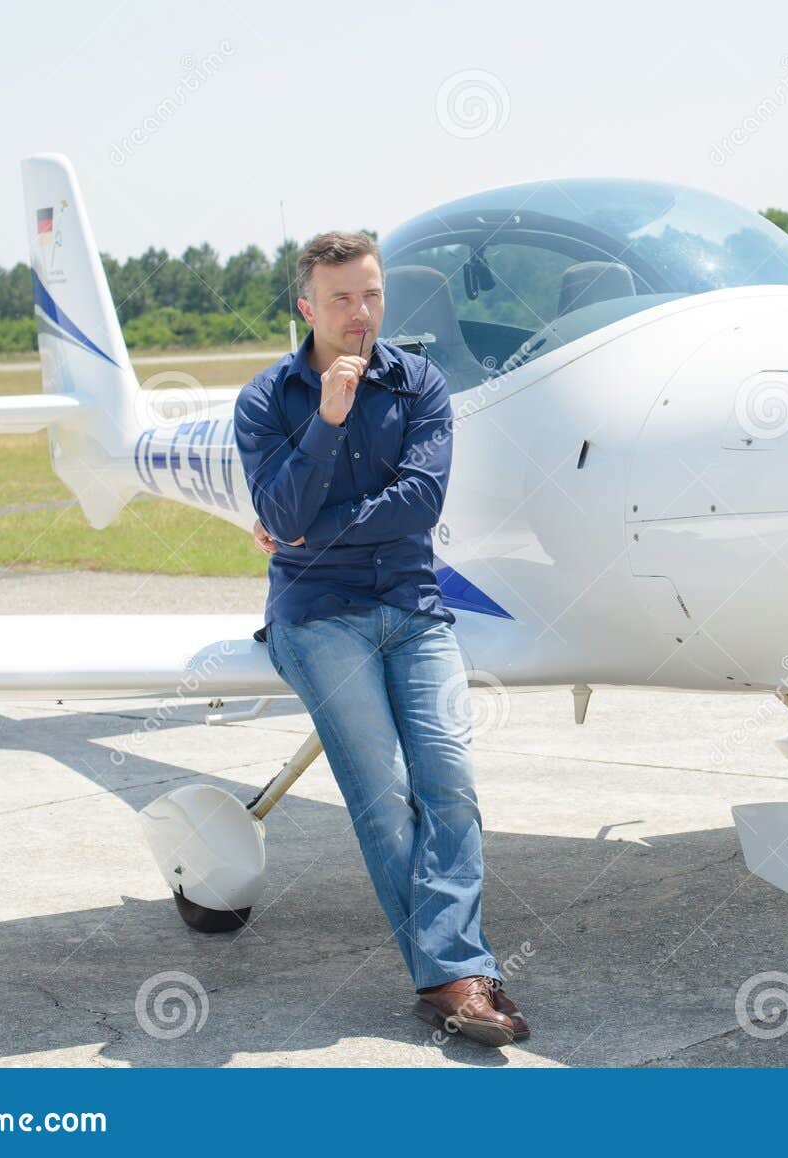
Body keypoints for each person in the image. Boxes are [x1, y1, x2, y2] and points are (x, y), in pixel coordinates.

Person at [233, 231, 527, 1047]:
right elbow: (286, 520)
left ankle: (445, 976)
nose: (360, 314)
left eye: (370, 295)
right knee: (384, 797)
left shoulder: (422, 384)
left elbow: (417, 506)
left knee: (452, 788)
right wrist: (327, 418)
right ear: (307, 307)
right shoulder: (265, 401)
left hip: (413, 605)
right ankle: (460, 979)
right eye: (340, 299)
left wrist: (305, 529)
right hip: (317, 618)